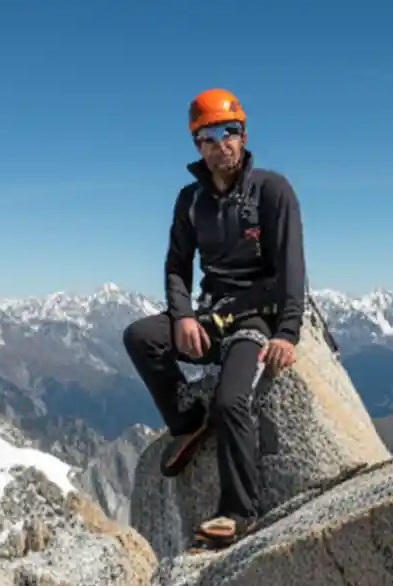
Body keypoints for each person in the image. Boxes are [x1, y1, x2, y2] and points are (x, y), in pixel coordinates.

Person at [122, 87, 307, 550]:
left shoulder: (271, 190)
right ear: (196, 144)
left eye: (230, 131)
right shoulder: (190, 201)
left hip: (256, 318)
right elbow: (176, 266)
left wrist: (287, 331)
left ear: (243, 135)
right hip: (212, 312)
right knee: (140, 337)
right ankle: (187, 420)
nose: (221, 142)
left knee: (231, 403)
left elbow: (292, 266)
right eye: (208, 134)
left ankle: (237, 513)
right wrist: (183, 316)